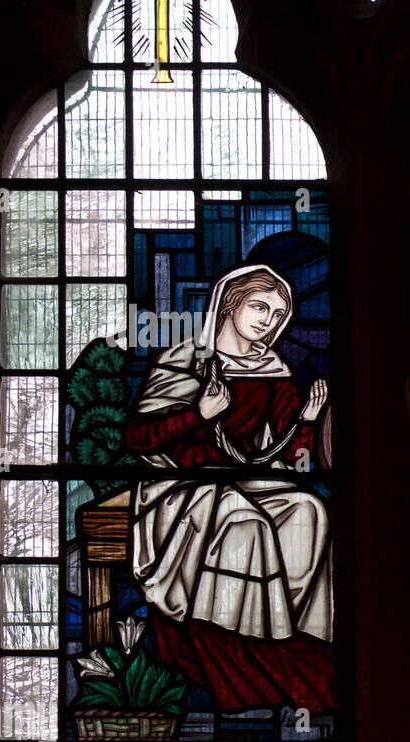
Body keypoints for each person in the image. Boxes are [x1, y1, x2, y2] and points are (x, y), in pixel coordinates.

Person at [125, 264, 334, 712]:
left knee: (308, 510)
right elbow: (139, 438)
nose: (268, 321)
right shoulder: (185, 361)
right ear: (229, 306)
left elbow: (287, 453)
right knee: (246, 522)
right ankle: (230, 642)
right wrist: (199, 414)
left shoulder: (273, 369)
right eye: (259, 307)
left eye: (278, 315)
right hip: (179, 484)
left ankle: (281, 627)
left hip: (249, 477)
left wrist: (307, 422)